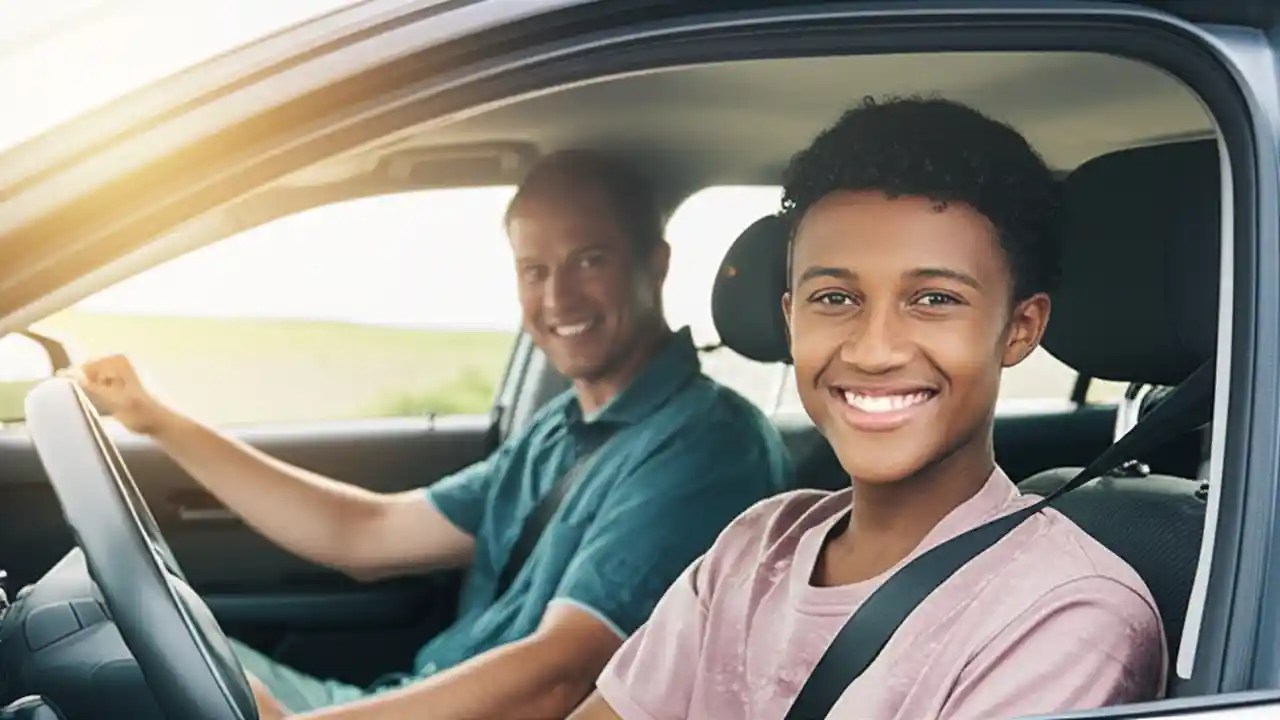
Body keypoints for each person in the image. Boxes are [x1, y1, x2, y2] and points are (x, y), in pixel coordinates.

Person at [72, 149, 793, 720]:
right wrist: (156, 419)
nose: (557, 297)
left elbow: (560, 675)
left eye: (589, 261)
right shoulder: (559, 430)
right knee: (117, 648)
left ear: (655, 264)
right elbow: (364, 533)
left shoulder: (707, 448)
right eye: (533, 270)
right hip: (401, 698)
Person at [571, 98, 1165, 720]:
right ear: (790, 318)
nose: (875, 350)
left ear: (1020, 328)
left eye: (934, 298)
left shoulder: (1066, 613)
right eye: (834, 297)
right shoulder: (754, 548)